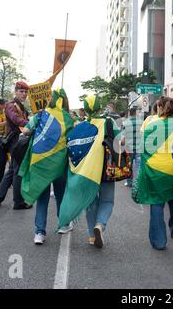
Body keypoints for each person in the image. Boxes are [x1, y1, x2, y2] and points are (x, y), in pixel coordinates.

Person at [57, 95, 121, 248]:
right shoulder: (108, 122)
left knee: (91, 202)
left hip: (87, 172)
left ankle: (92, 236)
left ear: (84, 110)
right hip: (106, 170)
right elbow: (121, 141)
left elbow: (71, 148)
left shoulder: (79, 127)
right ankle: (100, 225)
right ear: (100, 107)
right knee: (107, 201)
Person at [19, 89, 75, 245]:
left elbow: (25, 131)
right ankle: (63, 224)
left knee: (42, 198)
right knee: (60, 195)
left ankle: (39, 232)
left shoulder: (40, 115)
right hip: (59, 164)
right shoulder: (67, 118)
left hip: (40, 164)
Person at [135, 96, 173, 250]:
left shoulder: (151, 125)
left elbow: (143, 150)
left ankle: (159, 241)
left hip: (155, 170)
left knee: (157, 203)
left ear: (158, 107)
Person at [0, 81, 32, 210]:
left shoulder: (21, 106)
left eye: (25, 92)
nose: (24, 94)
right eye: (21, 91)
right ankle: (18, 202)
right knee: (17, 171)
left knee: (11, 171)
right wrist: (31, 124)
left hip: (19, 141)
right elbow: (15, 119)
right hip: (15, 141)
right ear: (15, 92)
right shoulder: (11, 105)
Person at [122, 108, 141, 188]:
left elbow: (123, 137)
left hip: (129, 148)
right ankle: (139, 183)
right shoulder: (141, 122)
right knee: (139, 166)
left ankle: (129, 182)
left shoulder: (125, 123)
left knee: (129, 166)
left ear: (130, 113)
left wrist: (122, 143)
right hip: (139, 147)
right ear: (136, 113)